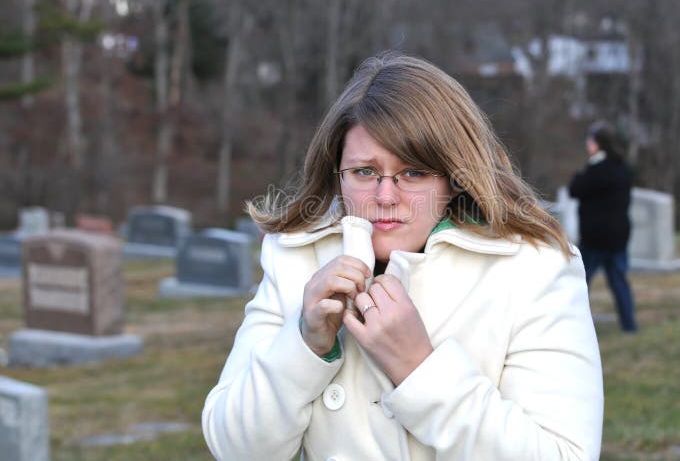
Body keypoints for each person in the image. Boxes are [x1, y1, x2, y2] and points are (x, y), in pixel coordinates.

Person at [202, 52, 603, 460]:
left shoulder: (533, 269)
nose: (385, 197)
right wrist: (305, 344)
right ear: (336, 173)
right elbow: (235, 449)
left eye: (414, 173)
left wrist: (418, 368)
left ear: (455, 176)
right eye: (364, 172)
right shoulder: (296, 257)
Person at [568, 121, 637, 332]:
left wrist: (582, 172)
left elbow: (575, 188)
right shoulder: (622, 168)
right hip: (618, 237)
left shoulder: (596, 170)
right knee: (618, 282)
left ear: (597, 144)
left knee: (581, 282)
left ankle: (573, 327)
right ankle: (630, 325)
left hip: (595, 239)